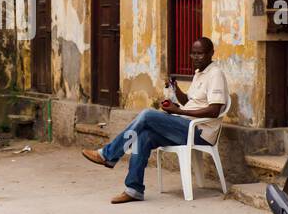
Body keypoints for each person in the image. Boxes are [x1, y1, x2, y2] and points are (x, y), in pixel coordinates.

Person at [81, 37, 227, 203]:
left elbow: (214, 110)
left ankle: (108, 154)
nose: (195, 57)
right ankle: (133, 189)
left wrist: (178, 110)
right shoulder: (199, 73)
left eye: (200, 54)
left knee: (147, 115)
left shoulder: (215, 74)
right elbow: (189, 102)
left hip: (201, 132)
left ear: (211, 53)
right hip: (185, 126)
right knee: (143, 136)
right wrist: (176, 90)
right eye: (193, 53)